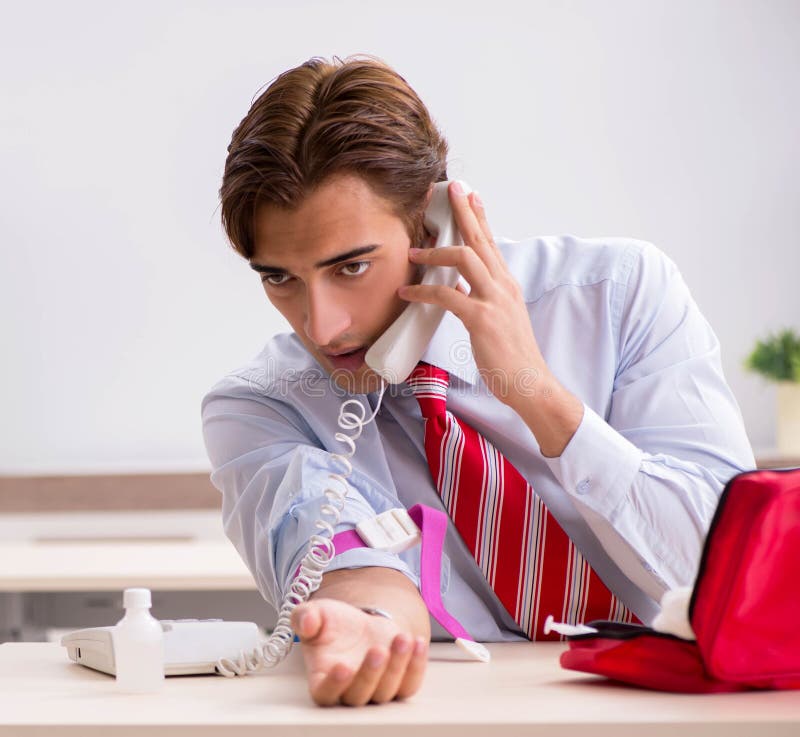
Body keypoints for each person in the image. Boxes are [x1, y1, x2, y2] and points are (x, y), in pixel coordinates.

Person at [202, 55, 755, 706]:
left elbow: (740, 578)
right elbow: (345, 554)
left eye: (351, 268)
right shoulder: (262, 404)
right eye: (280, 278)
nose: (321, 327)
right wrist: (368, 623)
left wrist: (538, 395)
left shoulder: (621, 295)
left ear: (433, 218)